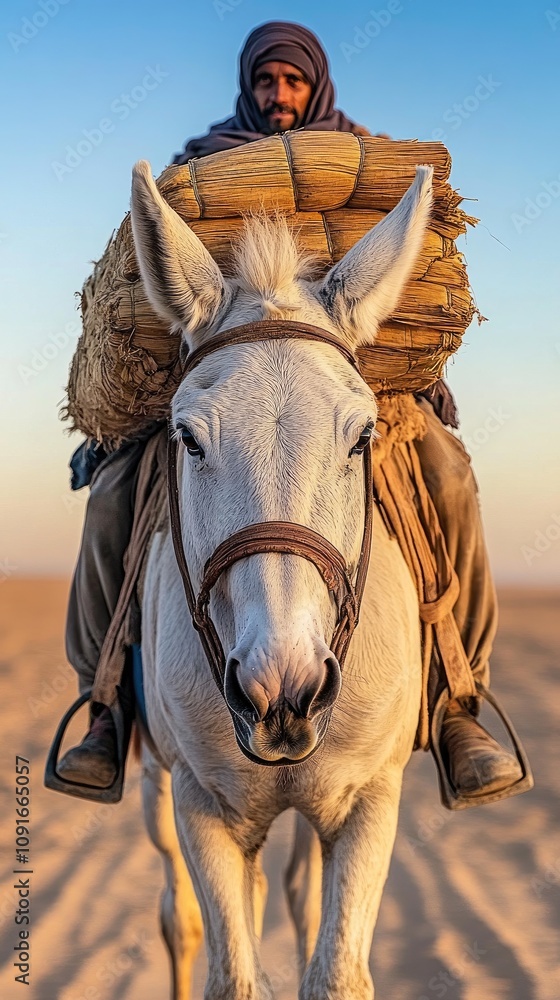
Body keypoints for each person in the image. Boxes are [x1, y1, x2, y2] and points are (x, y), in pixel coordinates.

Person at [55, 21, 524, 805]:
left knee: (449, 477)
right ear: (250, 84)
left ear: (317, 88)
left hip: (347, 380)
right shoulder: (201, 163)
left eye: (293, 83)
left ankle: (456, 698)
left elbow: (411, 283)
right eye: (268, 82)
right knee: (113, 496)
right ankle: (106, 701)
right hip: (223, 378)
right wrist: (120, 406)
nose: (280, 97)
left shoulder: (363, 160)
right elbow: (150, 291)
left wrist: (422, 370)